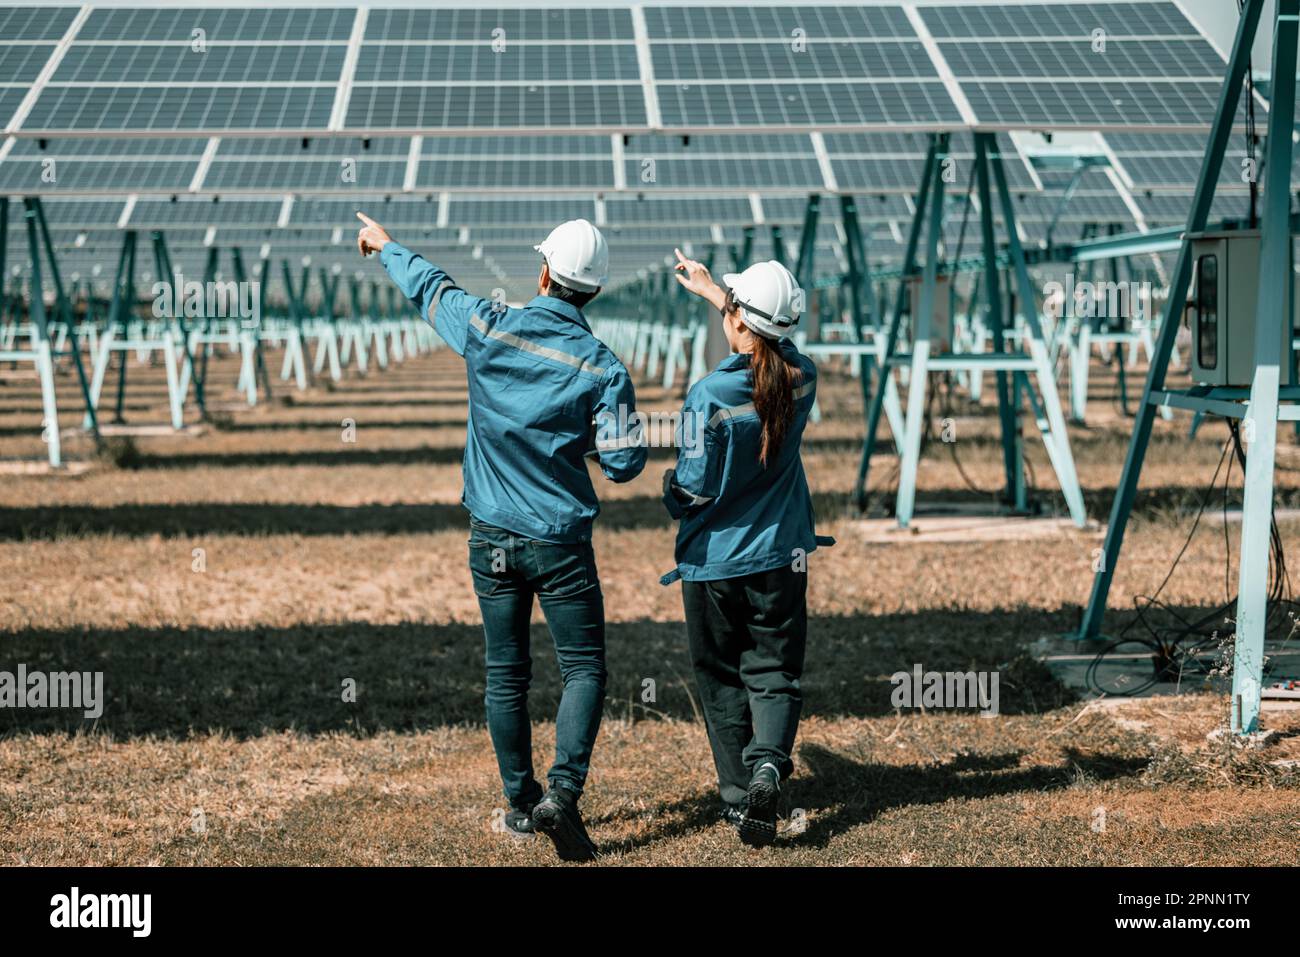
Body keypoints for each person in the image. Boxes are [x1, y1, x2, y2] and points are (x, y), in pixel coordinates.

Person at [357, 212, 647, 862]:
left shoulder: (488, 326)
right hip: (562, 544)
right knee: (583, 667)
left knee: (505, 672)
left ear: (543, 273)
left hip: (490, 538)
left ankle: (521, 805)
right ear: (592, 291)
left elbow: (432, 288)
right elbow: (626, 463)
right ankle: (563, 794)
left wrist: (386, 244)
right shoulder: (602, 367)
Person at [660, 250, 830, 848]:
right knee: (775, 671)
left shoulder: (708, 394)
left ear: (736, 320)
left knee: (722, 678)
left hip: (714, 563)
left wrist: (669, 495)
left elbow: (692, 485)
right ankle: (768, 766)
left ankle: (739, 800)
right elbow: (766, 343)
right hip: (783, 555)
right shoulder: (802, 377)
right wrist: (717, 293)